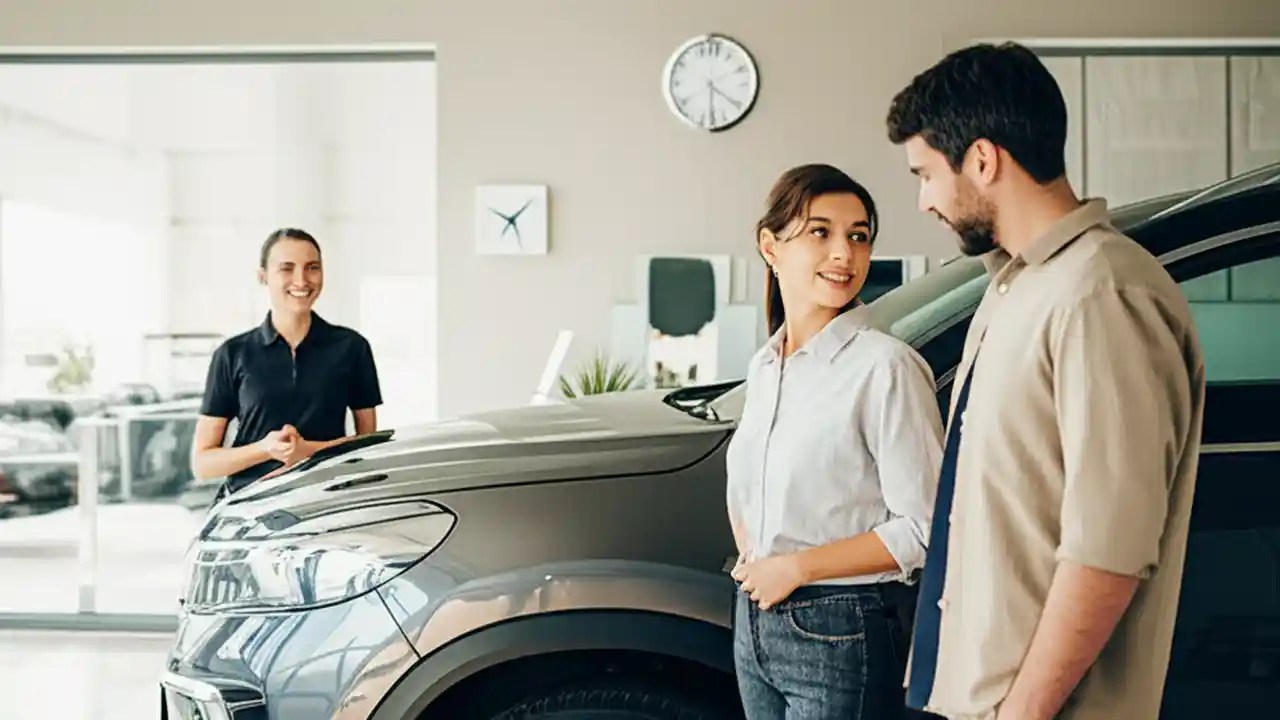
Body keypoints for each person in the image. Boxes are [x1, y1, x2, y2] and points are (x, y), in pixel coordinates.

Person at [886, 43, 1206, 720]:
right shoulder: (1015, 287)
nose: (922, 201)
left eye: (925, 173)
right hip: (963, 695)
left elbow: (1107, 550)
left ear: (982, 159)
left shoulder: (1103, 293)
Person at [726, 164, 944, 720]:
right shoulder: (765, 367)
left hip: (844, 627)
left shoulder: (885, 367)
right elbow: (751, 481)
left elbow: (924, 528)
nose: (844, 254)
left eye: (858, 236)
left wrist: (796, 567)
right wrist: (757, 554)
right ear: (770, 247)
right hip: (756, 622)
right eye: (820, 232)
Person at [191, 228, 383, 499]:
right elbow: (203, 464)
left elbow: (368, 447)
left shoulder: (352, 347)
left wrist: (309, 451)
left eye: (312, 267)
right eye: (286, 268)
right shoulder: (232, 354)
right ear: (263, 277)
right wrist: (266, 449)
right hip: (250, 507)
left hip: (327, 504)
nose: (301, 280)